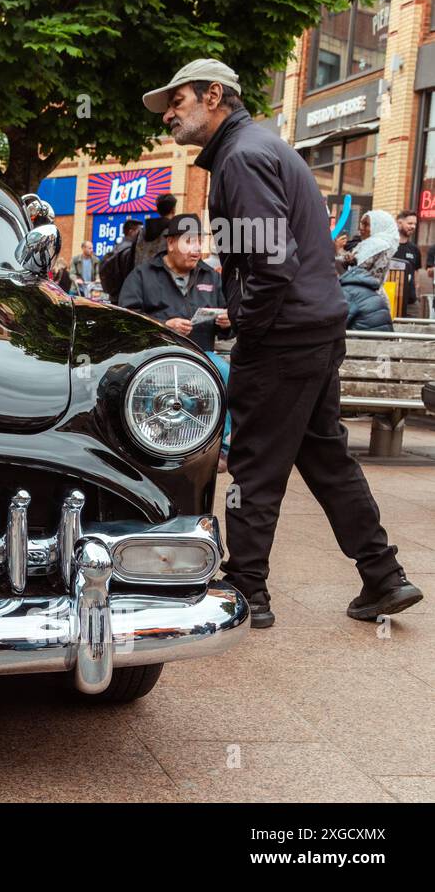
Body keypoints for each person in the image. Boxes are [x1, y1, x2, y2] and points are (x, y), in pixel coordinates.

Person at [144, 57, 422, 627]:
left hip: (285, 338)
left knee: (253, 463)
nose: (168, 112)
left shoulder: (242, 159)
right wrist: (242, 311)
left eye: (177, 99)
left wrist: (247, 324)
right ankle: (384, 577)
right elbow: (275, 262)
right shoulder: (258, 149)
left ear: (214, 94)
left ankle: (247, 589)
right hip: (311, 328)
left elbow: (271, 265)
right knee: (325, 457)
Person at [119, 213, 232, 465]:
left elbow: (227, 320)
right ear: (171, 243)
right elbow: (127, 318)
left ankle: (221, 447)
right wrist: (164, 325)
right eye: (189, 242)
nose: (196, 250)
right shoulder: (144, 275)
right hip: (155, 358)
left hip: (201, 356)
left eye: (199, 242)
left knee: (227, 374)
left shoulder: (210, 277)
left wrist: (227, 323)